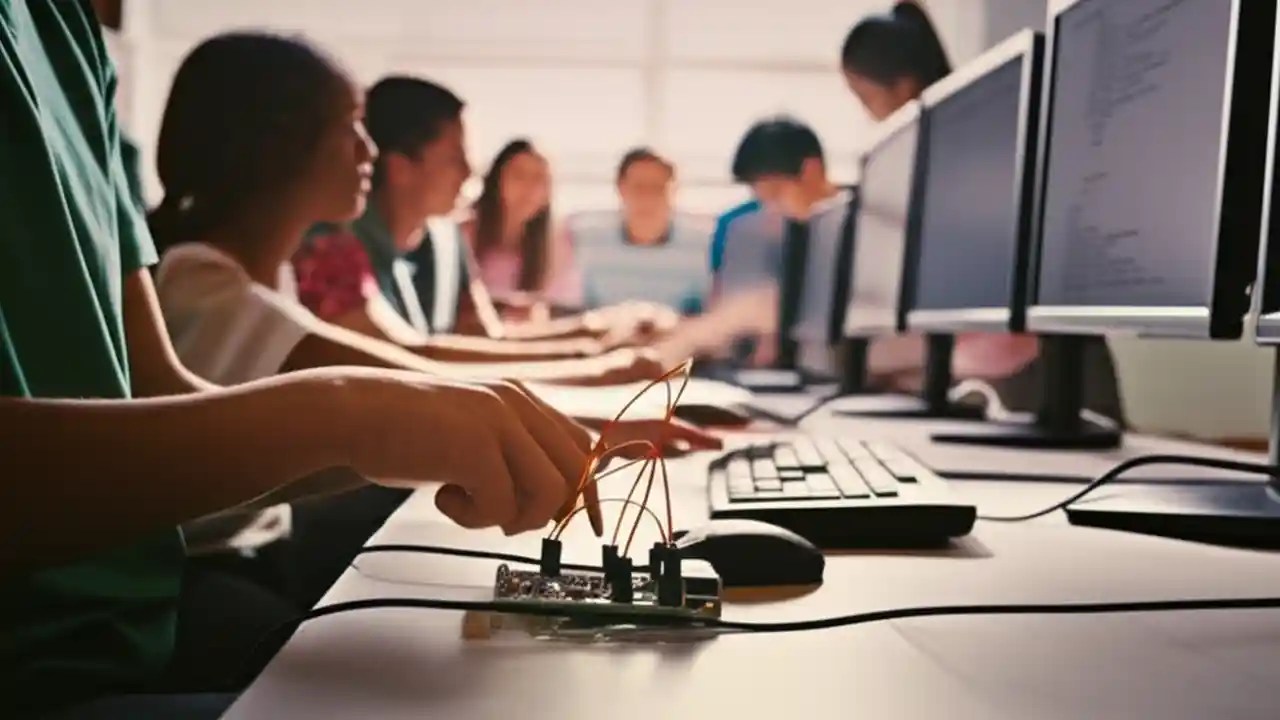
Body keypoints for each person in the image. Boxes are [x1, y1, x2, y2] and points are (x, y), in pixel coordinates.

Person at [838, 1, 1124, 421]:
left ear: (902, 87)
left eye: (866, 97)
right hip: (1007, 378)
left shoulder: (972, 158)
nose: (869, 116)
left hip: (1041, 382)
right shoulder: (945, 159)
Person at [570, 148, 712, 315]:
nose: (647, 198)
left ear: (675, 191)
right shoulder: (586, 239)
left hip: (678, 337)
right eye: (639, 187)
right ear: (620, 189)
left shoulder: (702, 244)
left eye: (658, 188)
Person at [464, 139, 583, 315]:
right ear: (496, 180)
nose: (529, 188)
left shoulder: (558, 243)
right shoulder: (464, 232)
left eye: (539, 179)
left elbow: (557, 309)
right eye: (518, 175)